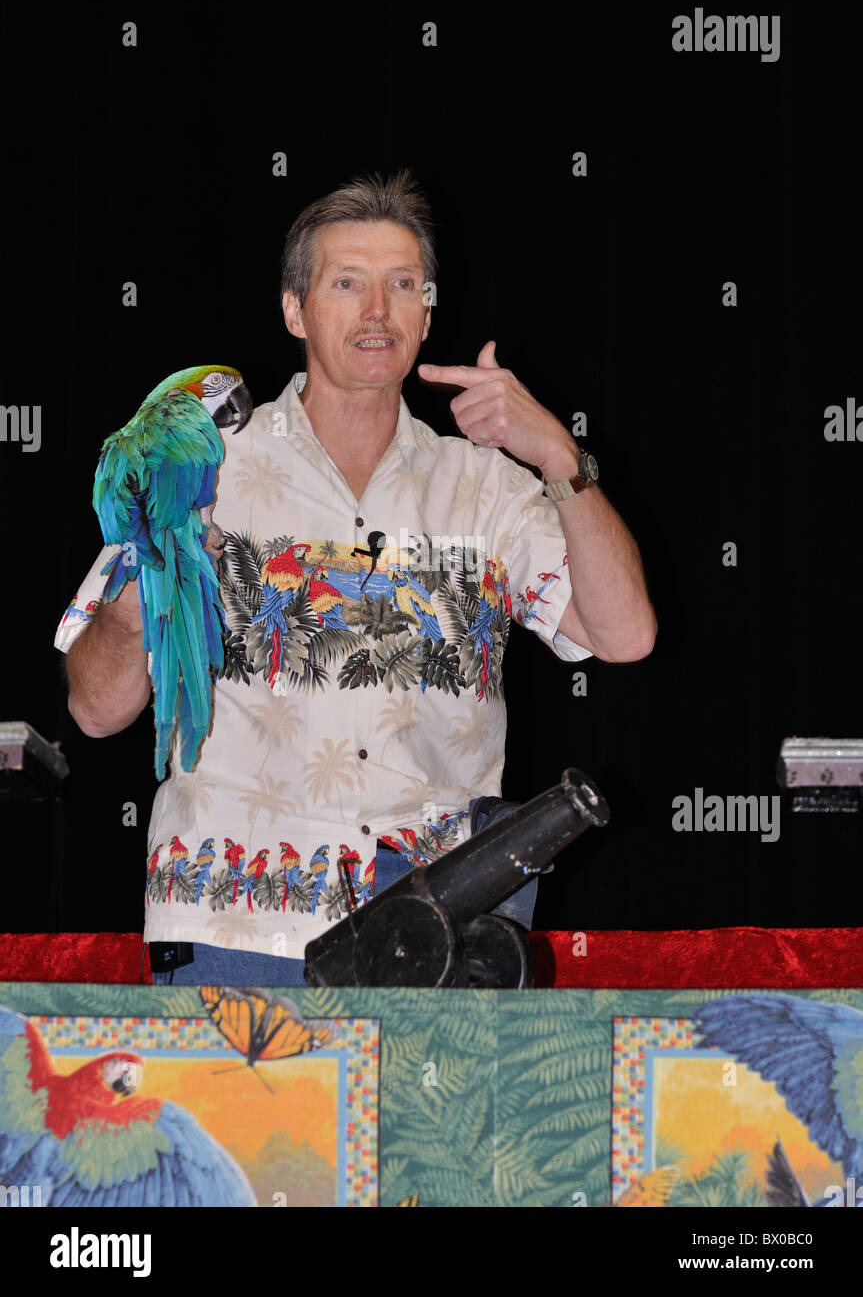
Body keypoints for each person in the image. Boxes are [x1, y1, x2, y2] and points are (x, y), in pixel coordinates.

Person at [55, 170, 657, 985]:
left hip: (435, 932)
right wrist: (148, 583)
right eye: (347, 283)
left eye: (402, 285)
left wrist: (559, 458)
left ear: (426, 313)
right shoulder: (204, 467)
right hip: (235, 925)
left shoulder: (486, 486)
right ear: (294, 310)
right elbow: (95, 712)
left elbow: (624, 636)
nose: (377, 310)